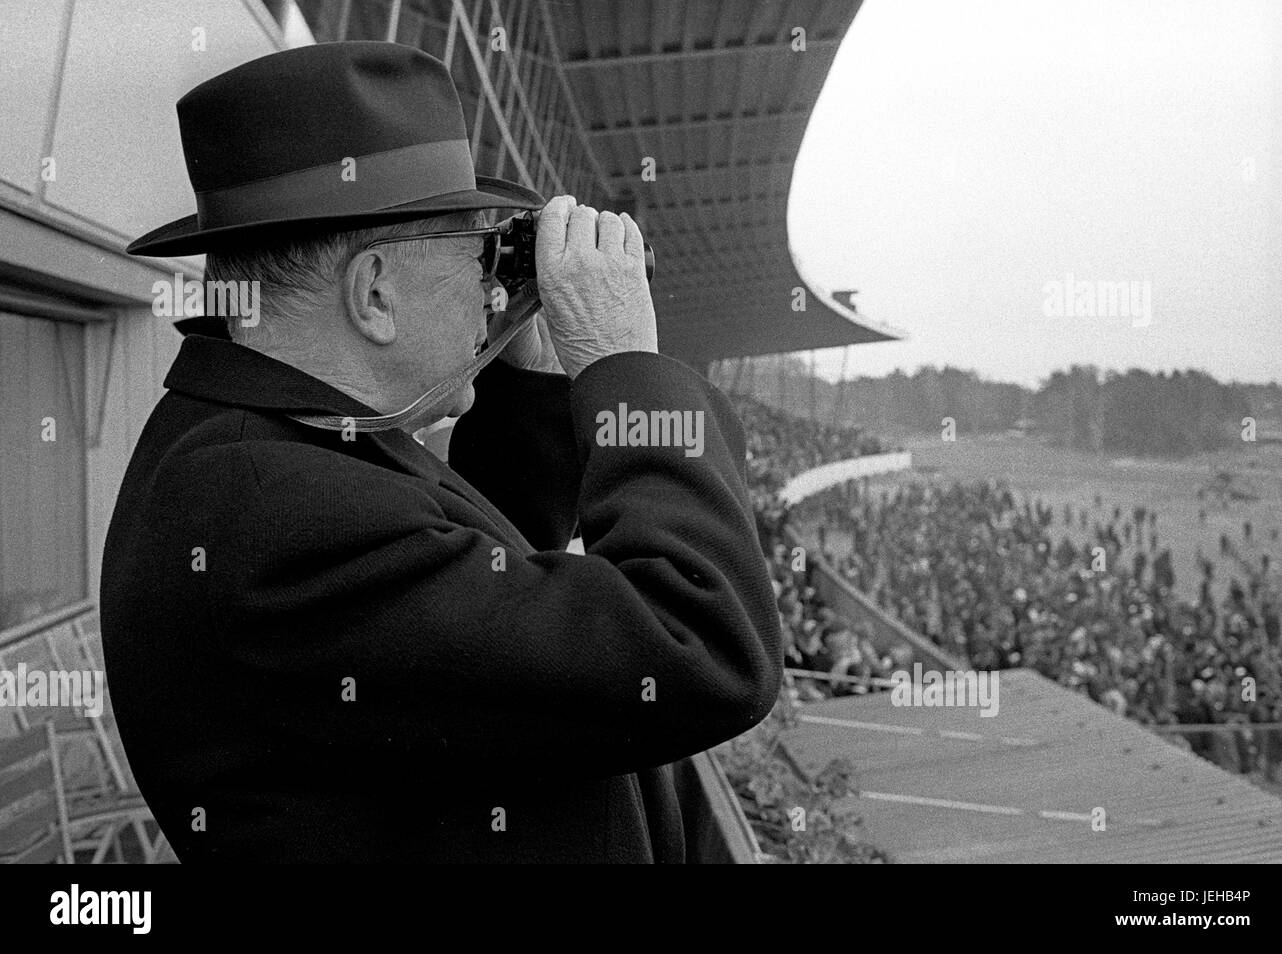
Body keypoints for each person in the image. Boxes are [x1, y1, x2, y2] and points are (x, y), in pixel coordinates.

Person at [100, 43, 781, 863]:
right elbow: (702, 648)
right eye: (476, 255)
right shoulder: (265, 503)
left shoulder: (256, 447)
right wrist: (622, 369)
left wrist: (529, 383)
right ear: (375, 291)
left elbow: (472, 617)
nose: (493, 291)